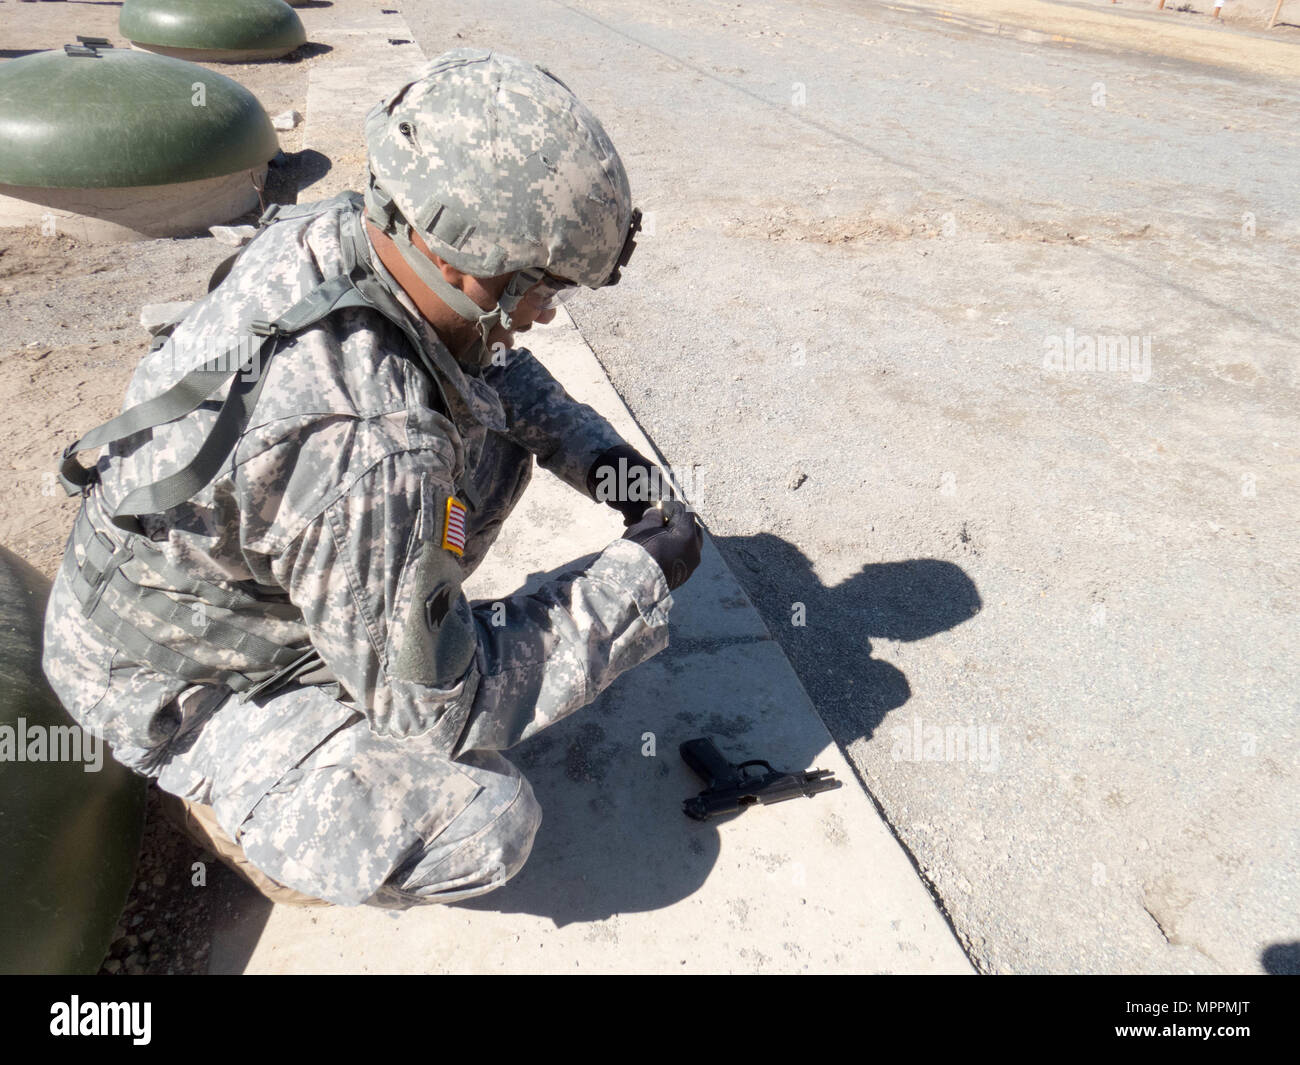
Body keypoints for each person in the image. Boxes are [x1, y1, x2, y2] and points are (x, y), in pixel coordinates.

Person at [42, 49, 703, 908]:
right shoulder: (372, 446)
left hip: (226, 586)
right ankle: (246, 796)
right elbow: (446, 712)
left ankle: (376, 622)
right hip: (182, 689)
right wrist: (634, 583)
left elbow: (491, 369)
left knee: (490, 450)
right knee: (489, 819)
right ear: (469, 266)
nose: (545, 313)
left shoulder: (355, 238)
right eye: (540, 289)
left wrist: (611, 470)